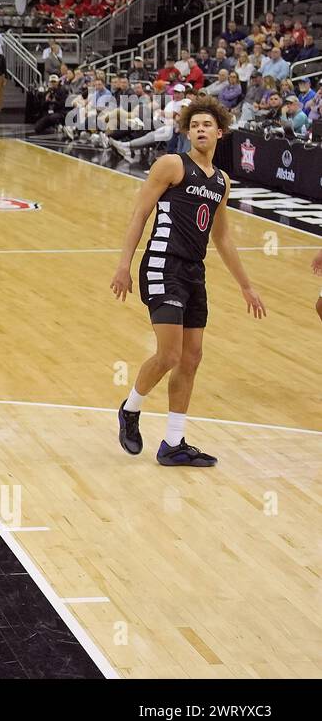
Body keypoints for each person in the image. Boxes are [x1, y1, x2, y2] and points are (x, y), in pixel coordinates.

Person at [111, 98, 266, 467]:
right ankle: (131, 409)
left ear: (219, 132)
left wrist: (246, 285)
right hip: (162, 265)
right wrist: (123, 265)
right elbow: (139, 213)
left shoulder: (222, 181)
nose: (200, 129)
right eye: (194, 124)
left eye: (206, 125)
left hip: (194, 272)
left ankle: (173, 443)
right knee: (170, 354)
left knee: (192, 357)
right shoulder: (171, 165)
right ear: (186, 130)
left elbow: (223, 238)